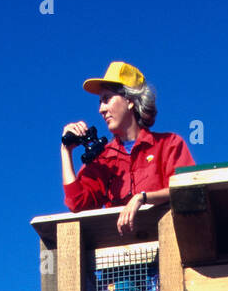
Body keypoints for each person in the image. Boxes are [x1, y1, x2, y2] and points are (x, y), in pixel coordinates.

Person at [61, 60, 195, 235]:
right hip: (121, 256)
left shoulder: (169, 144)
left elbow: (188, 190)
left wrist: (142, 198)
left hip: (168, 247)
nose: (101, 109)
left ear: (130, 100)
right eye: (100, 102)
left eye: (107, 99)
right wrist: (66, 150)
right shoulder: (103, 158)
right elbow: (76, 203)